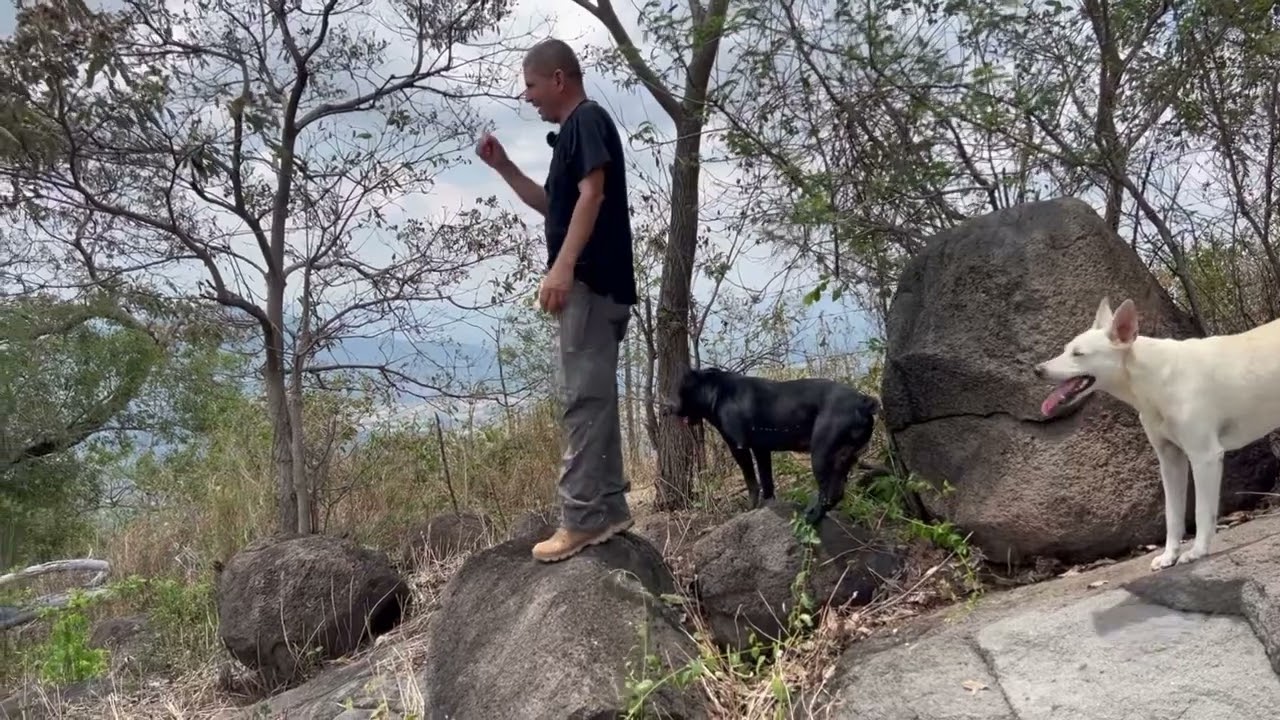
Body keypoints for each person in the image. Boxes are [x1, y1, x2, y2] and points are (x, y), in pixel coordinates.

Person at [475, 38, 638, 562]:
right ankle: (609, 508)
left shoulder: (587, 121)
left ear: (559, 79)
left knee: (581, 400)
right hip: (598, 285)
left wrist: (563, 267)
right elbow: (556, 206)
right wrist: (504, 168)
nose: (527, 96)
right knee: (595, 397)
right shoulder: (572, 132)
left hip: (590, 284)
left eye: (530, 84)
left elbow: (593, 195)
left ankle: (582, 518)